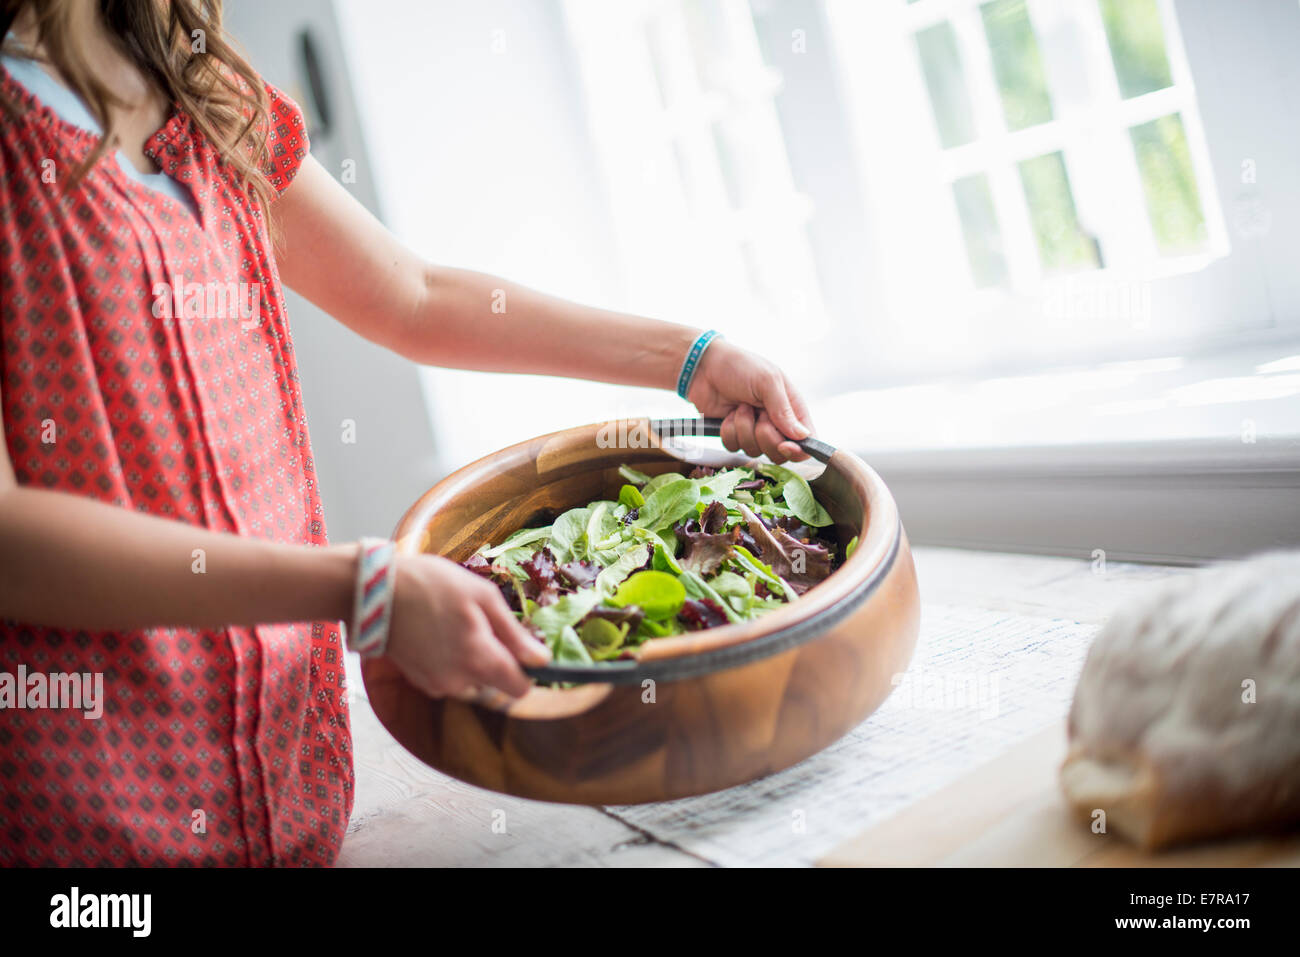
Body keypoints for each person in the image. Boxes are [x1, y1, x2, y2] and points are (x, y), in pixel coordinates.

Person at [0, 0, 816, 866]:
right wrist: (362, 589)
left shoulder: (203, 89)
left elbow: (414, 295)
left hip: (293, 789)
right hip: (95, 821)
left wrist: (690, 359)